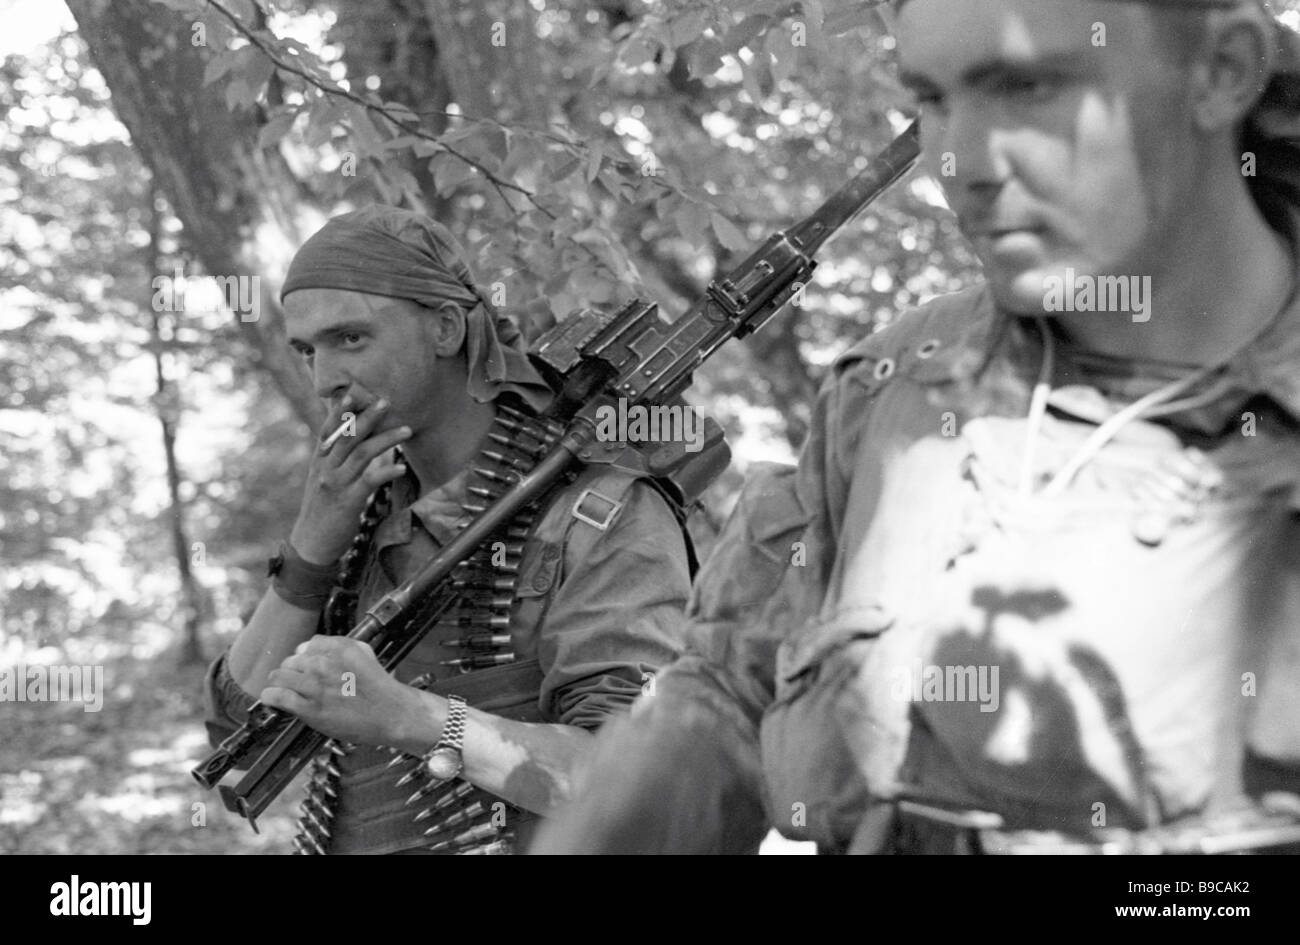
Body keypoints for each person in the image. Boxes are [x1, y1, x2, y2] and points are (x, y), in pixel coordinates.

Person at [532, 0, 1300, 854]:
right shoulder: (894, 392)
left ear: (1223, 71)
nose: (962, 163)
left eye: (1026, 87)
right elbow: (729, 688)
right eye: (932, 100)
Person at [203, 206, 699, 854]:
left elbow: (636, 784)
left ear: (443, 327)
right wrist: (310, 552)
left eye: (350, 338)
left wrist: (412, 718)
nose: (325, 379)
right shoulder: (361, 524)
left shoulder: (598, 515)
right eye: (307, 350)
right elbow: (240, 737)